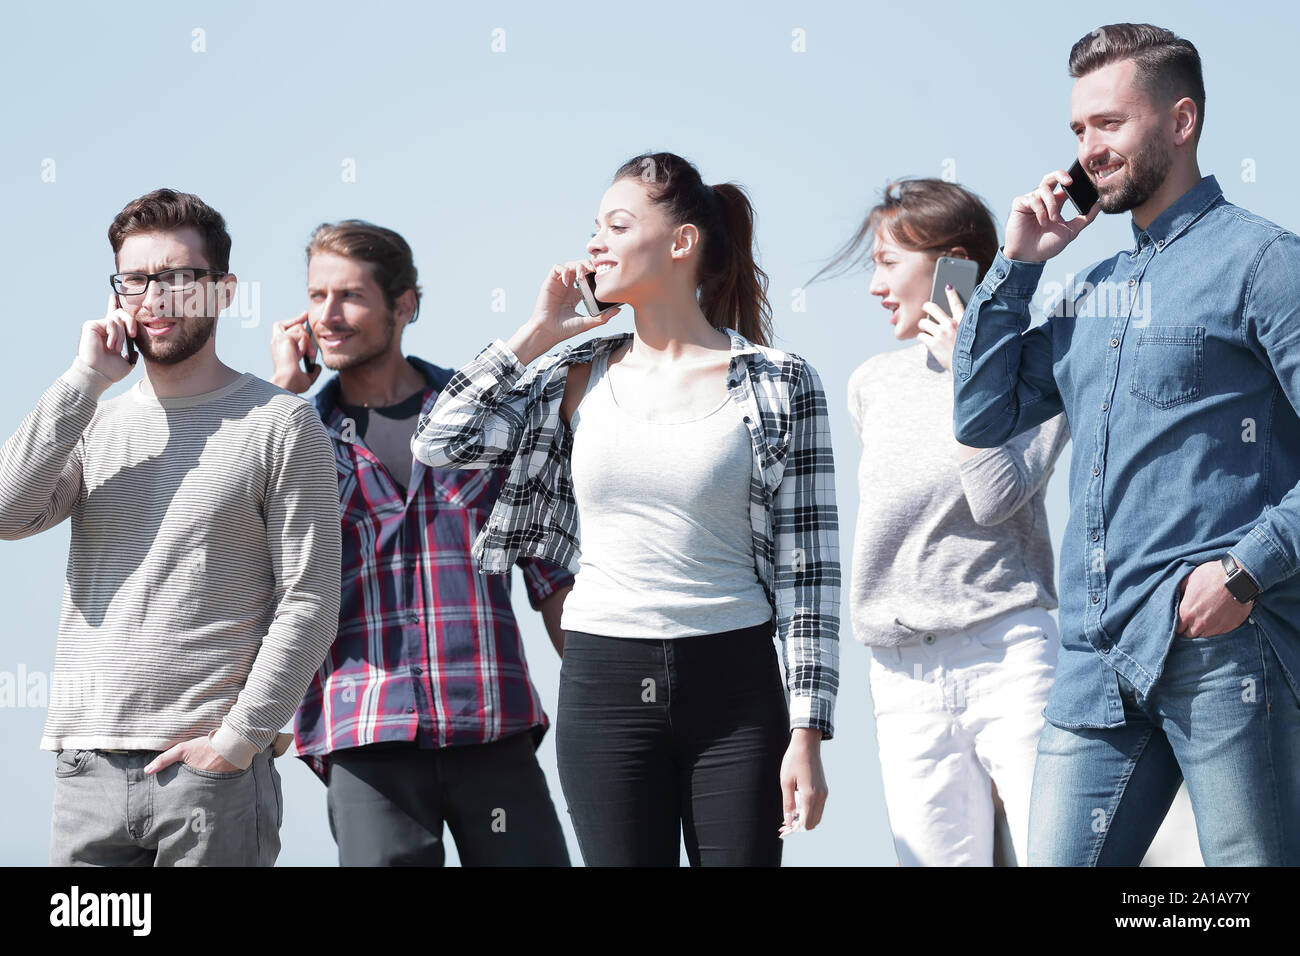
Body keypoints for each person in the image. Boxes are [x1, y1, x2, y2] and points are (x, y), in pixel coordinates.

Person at [410, 152, 840, 866]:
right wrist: (539, 332)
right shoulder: (573, 374)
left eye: (616, 225)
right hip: (604, 678)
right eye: (593, 228)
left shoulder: (778, 382)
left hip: (737, 687)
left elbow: (809, 573)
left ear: (681, 243)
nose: (594, 244)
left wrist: (808, 733)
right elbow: (440, 440)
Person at [952, 23, 1300, 865]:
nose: (1089, 150)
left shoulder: (1264, 263)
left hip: (1223, 646)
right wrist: (1019, 264)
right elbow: (979, 414)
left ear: (1181, 122)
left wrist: (1246, 568)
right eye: (1079, 131)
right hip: (1093, 666)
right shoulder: (1087, 294)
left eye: (1110, 124)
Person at [0, 188, 341, 866]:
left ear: (222, 291)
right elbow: (9, 514)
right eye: (136, 279)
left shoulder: (281, 423)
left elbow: (310, 598)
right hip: (84, 768)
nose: (155, 297)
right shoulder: (92, 419)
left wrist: (238, 741)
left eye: (179, 278)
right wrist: (83, 380)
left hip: (208, 775)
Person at [269, 220, 575, 866]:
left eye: (349, 296)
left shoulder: (487, 418)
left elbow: (553, 579)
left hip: (490, 721)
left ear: (404, 305)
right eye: (316, 296)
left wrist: (609, 698)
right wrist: (281, 398)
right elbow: (243, 560)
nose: (328, 315)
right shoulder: (298, 439)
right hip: (365, 738)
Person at [815, 178, 1068, 866]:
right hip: (900, 670)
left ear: (954, 263)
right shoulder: (872, 384)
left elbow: (994, 500)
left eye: (887, 262)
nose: (874, 286)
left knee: (1057, 854)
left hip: (1005, 652)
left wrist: (969, 373)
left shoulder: (1034, 372)